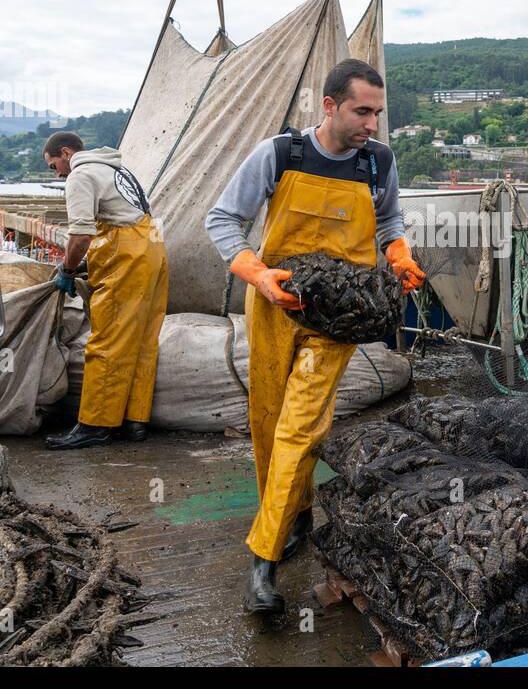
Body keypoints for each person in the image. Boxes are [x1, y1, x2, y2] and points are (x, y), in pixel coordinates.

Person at [205, 58, 425, 613]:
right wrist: (257, 274)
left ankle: (265, 561)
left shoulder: (378, 162)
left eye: (377, 112)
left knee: (301, 429)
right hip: (277, 307)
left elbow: (390, 219)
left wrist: (398, 254)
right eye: (361, 111)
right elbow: (222, 220)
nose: (372, 123)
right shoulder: (281, 155)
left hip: (338, 319)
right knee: (268, 422)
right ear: (329, 106)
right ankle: (293, 512)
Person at [41, 132, 169, 450]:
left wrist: (68, 270)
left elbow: (81, 234)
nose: (55, 172)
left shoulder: (80, 174)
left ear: (66, 152)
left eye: (53, 163)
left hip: (126, 253)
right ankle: (134, 421)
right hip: (153, 250)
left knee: (107, 340)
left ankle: (95, 425)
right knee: (141, 341)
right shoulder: (116, 169)